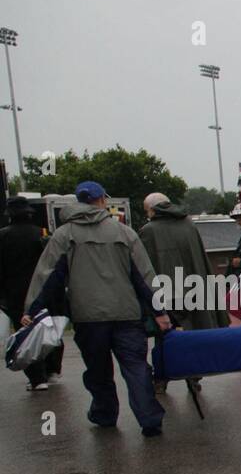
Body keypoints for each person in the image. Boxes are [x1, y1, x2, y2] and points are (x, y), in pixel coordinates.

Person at [23, 181, 170, 436]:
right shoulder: (124, 233)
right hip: (126, 314)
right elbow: (145, 277)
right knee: (136, 368)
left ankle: (104, 414)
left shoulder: (64, 235)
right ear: (103, 200)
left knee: (98, 371)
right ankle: (150, 419)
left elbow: (47, 276)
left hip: (88, 318)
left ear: (79, 202)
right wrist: (160, 312)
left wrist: (31, 309)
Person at [140, 192, 229, 392]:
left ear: (153, 209)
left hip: (166, 294)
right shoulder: (189, 225)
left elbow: (144, 267)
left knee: (164, 339)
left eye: (147, 211)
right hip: (195, 288)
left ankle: (161, 378)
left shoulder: (148, 231)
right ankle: (194, 376)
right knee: (193, 335)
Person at [0, 197, 62, 391]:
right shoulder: (42, 233)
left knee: (25, 333)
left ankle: (37, 377)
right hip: (44, 290)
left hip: (15, 293)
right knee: (49, 328)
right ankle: (52, 369)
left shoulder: (2, 236)